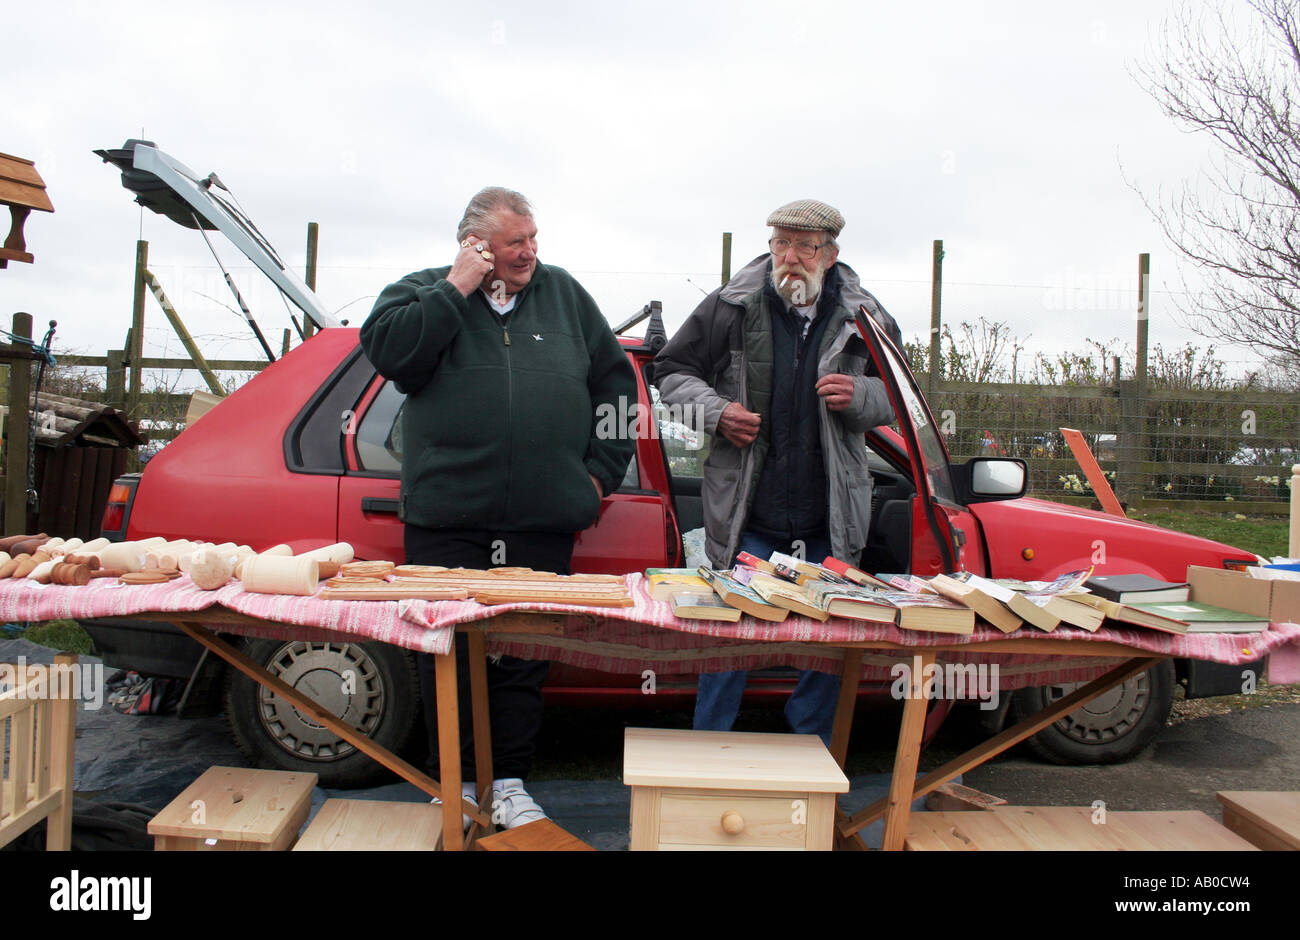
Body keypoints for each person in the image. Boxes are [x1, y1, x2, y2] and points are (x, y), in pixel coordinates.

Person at [359, 187, 636, 828]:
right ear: (475, 246)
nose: (530, 253)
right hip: (447, 518)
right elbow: (393, 354)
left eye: (533, 238)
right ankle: (449, 786)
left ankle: (508, 782)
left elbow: (616, 386)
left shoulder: (565, 296)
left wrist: (598, 476)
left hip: (541, 520)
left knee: (520, 657)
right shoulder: (422, 291)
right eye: (516, 242)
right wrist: (454, 288)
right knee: (447, 653)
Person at [653, 199, 900, 747]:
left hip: (827, 517)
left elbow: (897, 398)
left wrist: (860, 394)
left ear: (830, 255)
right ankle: (707, 748)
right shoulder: (729, 305)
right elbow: (671, 371)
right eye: (780, 244)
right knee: (730, 633)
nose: (789, 258)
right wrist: (716, 412)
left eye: (803, 247)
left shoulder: (867, 316)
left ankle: (808, 745)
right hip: (750, 514)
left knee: (830, 638)